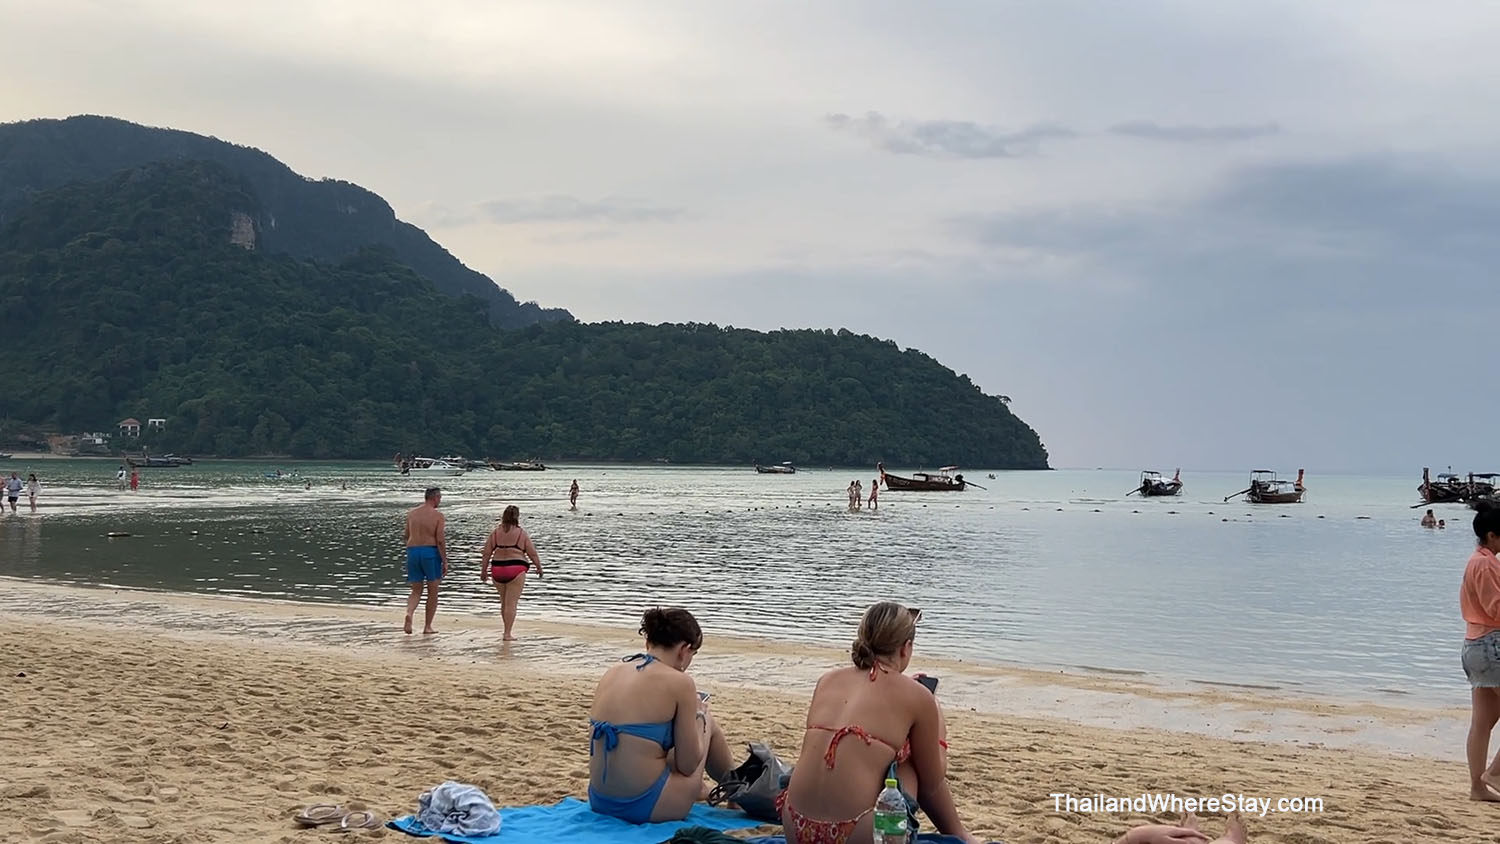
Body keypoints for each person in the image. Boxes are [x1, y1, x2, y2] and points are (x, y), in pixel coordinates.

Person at [779, 602, 980, 844]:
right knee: (910, 762)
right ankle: (958, 833)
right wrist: (934, 715)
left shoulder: (827, 680)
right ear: (906, 648)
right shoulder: (917, 696)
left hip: (796, 827)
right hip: (860, 834)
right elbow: (932, 785)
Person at [588, 608, 732, 824]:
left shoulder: (614, 671)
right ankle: (736, 791)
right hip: (645, 806)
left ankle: (724, 788)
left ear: (648, 644)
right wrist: (699, 716)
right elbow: (688, 765)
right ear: (684, 650)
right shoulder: (680, 683)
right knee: (707, 719)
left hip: (601, 801)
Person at [1461, 504, 1500, 801]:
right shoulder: (1486, 564)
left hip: (1476, 644)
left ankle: (1478, 787)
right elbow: (1495, 608)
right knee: (1481, 723)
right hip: (1491, 645)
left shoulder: (1477, 561)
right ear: (1491, 536)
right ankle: (1495, 774)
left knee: (1482, 723)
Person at [481, 505, 545, 641]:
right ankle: (507, 633)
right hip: (516, 568)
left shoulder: (495, 533)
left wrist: (483, 571)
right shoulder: (521, 534)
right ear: (517, 517)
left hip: (497, 568)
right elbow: (532, 552)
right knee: (511, 603)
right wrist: (538, 567)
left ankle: (506, 630)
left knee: (504, 602)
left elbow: (487, 553)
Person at [403, 487, 447, 635]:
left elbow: (406, 535)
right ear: (435, 498)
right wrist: (445, 560)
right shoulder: (438, 516)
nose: (440, 501)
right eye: (439, 498)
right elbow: (440, 540)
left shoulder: (412, 513)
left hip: (413, 551)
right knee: (433, 590)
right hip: (430, 551)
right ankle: (427, 626)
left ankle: (409, 613)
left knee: (416, 589)